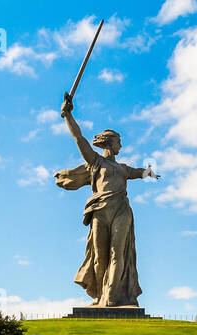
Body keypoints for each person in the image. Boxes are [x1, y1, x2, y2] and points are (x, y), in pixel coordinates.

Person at [54, 96, 159, 307]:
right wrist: (68, 115)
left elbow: (139, 172)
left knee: (117, 253)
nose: (121, 145)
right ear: (110, 142)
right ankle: (100, 296)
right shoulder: (95, 162)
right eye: (119, 142)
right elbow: (80, 140)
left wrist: (150, 173)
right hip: (100, 211)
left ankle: (111, 297)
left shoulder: (123, 168)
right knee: (99, 258)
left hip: (121, 210)